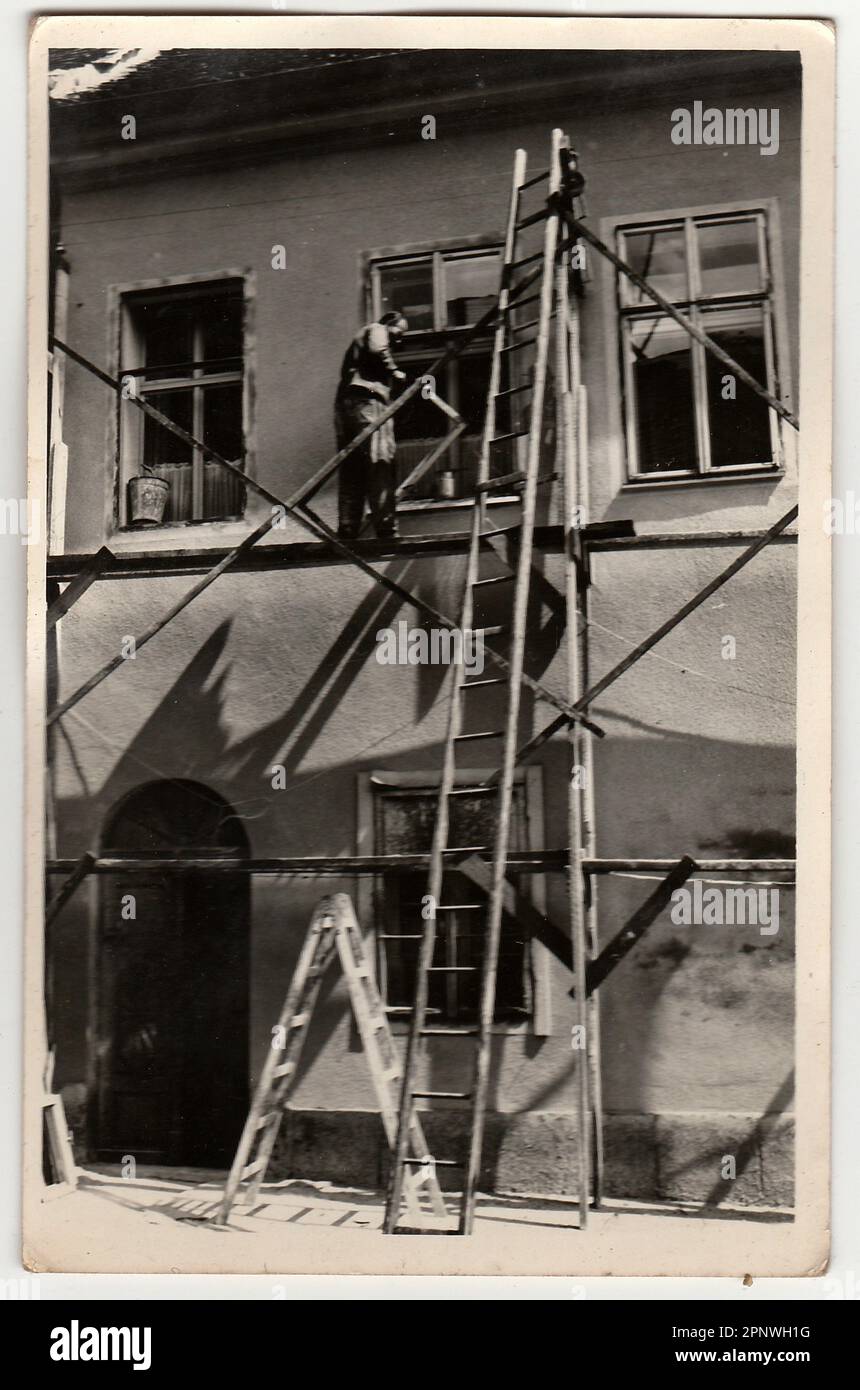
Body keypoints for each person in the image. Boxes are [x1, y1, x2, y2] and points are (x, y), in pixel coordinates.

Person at [334, 311, 408, 540]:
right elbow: (379, 348)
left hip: (347, 406)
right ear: (389, 324)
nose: (400, 339)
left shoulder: (359, 343)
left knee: (352, 467)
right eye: (399, 332)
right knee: (380, 460)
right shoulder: (376, 329)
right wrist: (394, 371)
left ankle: (348, 525)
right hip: (369, 401)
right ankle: (386, 526)